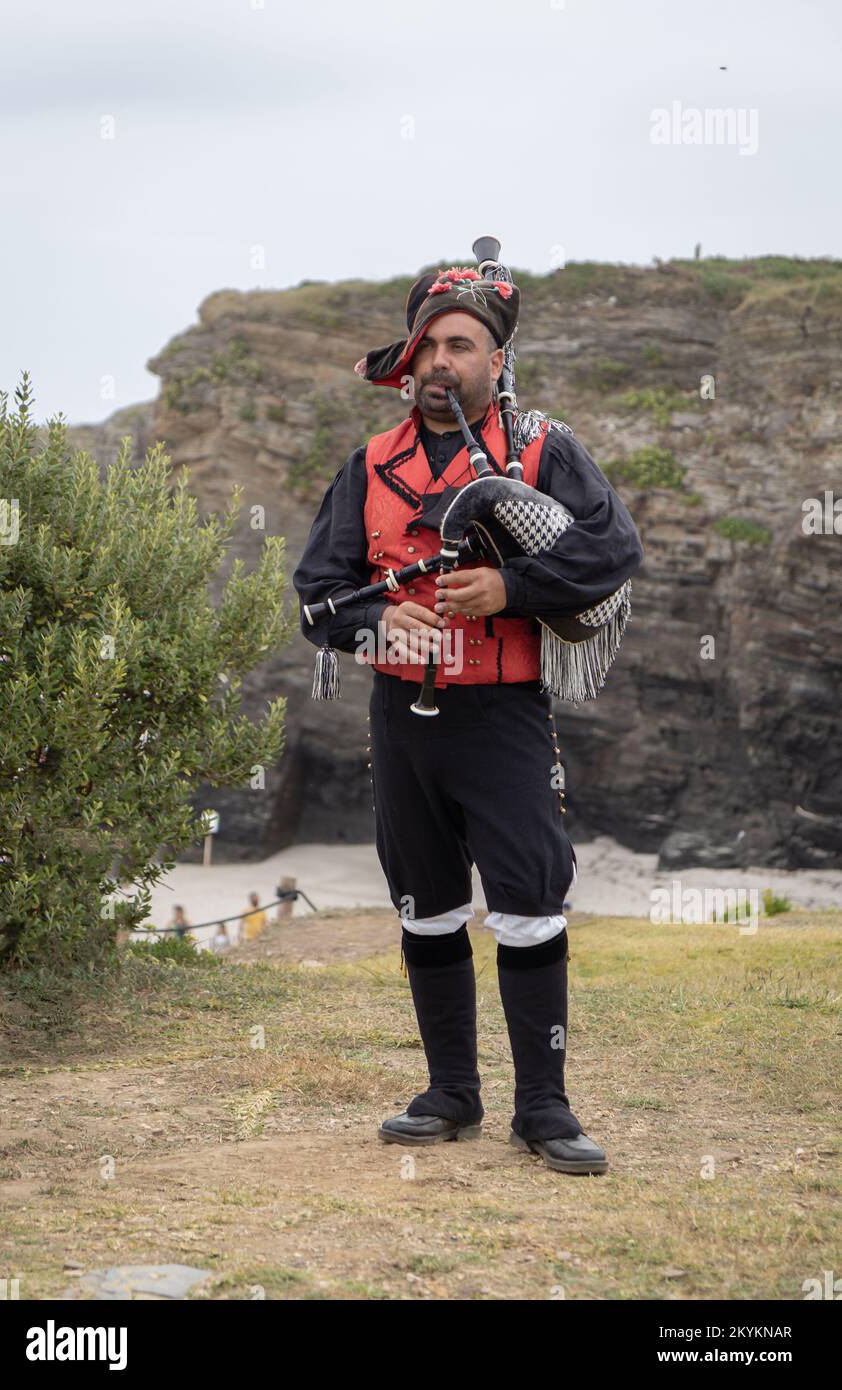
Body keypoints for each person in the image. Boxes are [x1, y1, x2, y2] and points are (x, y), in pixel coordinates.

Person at [292, 262, 644, 1175]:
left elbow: (612, 553)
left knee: (528, 905)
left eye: (461, 345)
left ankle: (546, 1109)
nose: (441, 363)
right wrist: (376, 622)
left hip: (504, 717)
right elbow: (317, 598)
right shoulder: (369, 465)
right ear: (408, 363)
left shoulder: (542, 450)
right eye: (429, 347)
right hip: (402, 723)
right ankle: (451, 1092)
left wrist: (508, 587)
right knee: (426, 906)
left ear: (497, 358)